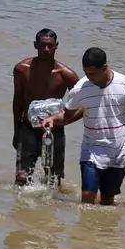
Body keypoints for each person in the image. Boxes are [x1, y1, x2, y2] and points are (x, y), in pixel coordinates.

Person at [42, 47, 125, 205]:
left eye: (92, 73)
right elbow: (67, 114)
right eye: (86, 72)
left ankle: (102, 230)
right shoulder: (80, 89)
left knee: (107, 200)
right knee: (87, 196)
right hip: (91, 149)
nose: (88, 77)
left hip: (118, 151)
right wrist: (52, 119)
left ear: (104, 67)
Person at [12, 28, 79, 185]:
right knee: (21, 178)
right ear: (35, 45)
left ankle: (51, 207)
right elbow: (18, 100)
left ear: (56, 46)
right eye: (42, 46)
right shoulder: (21, 69)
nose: (46, 49)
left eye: (50, 46)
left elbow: (82, 102)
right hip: (28, 128)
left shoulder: (66, 75)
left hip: (53, 131)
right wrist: (16, 132)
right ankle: (21, 208)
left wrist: (64, 120)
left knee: (53, 180)